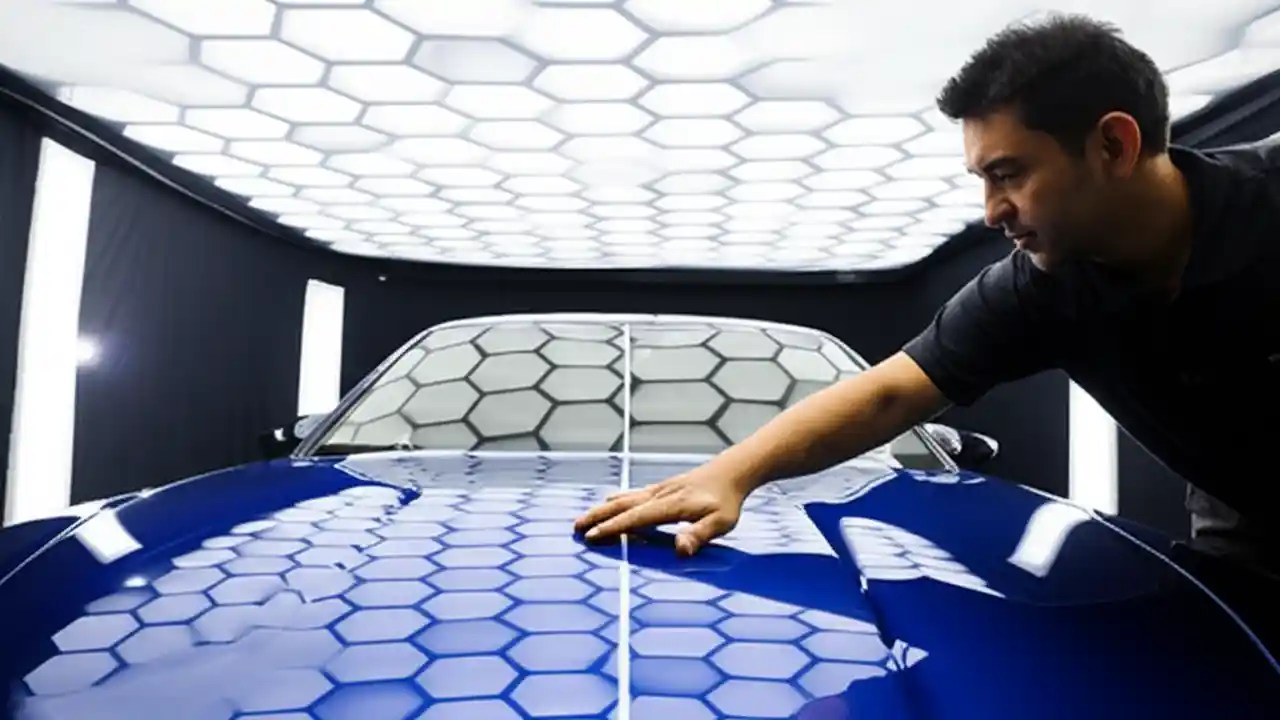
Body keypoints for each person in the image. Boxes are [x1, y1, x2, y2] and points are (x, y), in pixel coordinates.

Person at [574, 14, 1280, 584]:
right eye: (981, 178)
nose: (991, 210)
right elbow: (891, 393)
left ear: (1114, 145)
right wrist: (731, 476)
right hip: (1248, 528)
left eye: (1008, 174)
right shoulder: (1038, 290)